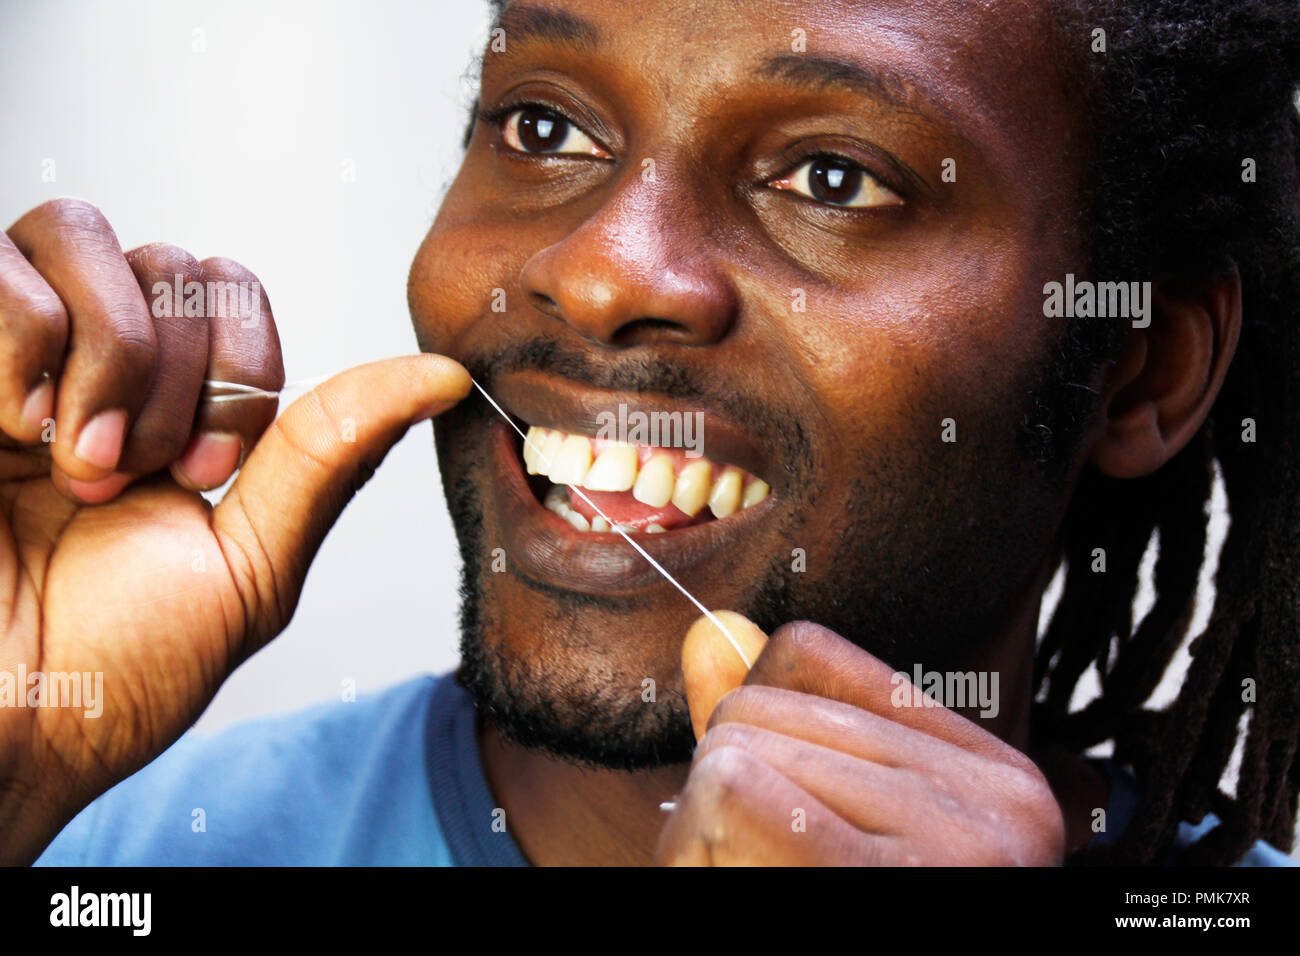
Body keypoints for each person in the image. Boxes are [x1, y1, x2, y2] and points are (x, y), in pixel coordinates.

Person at [4, 0, 1298, 866]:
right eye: (545, 126)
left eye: (833, 179)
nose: (607, 271)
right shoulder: (119, 843)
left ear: (1142, 370)